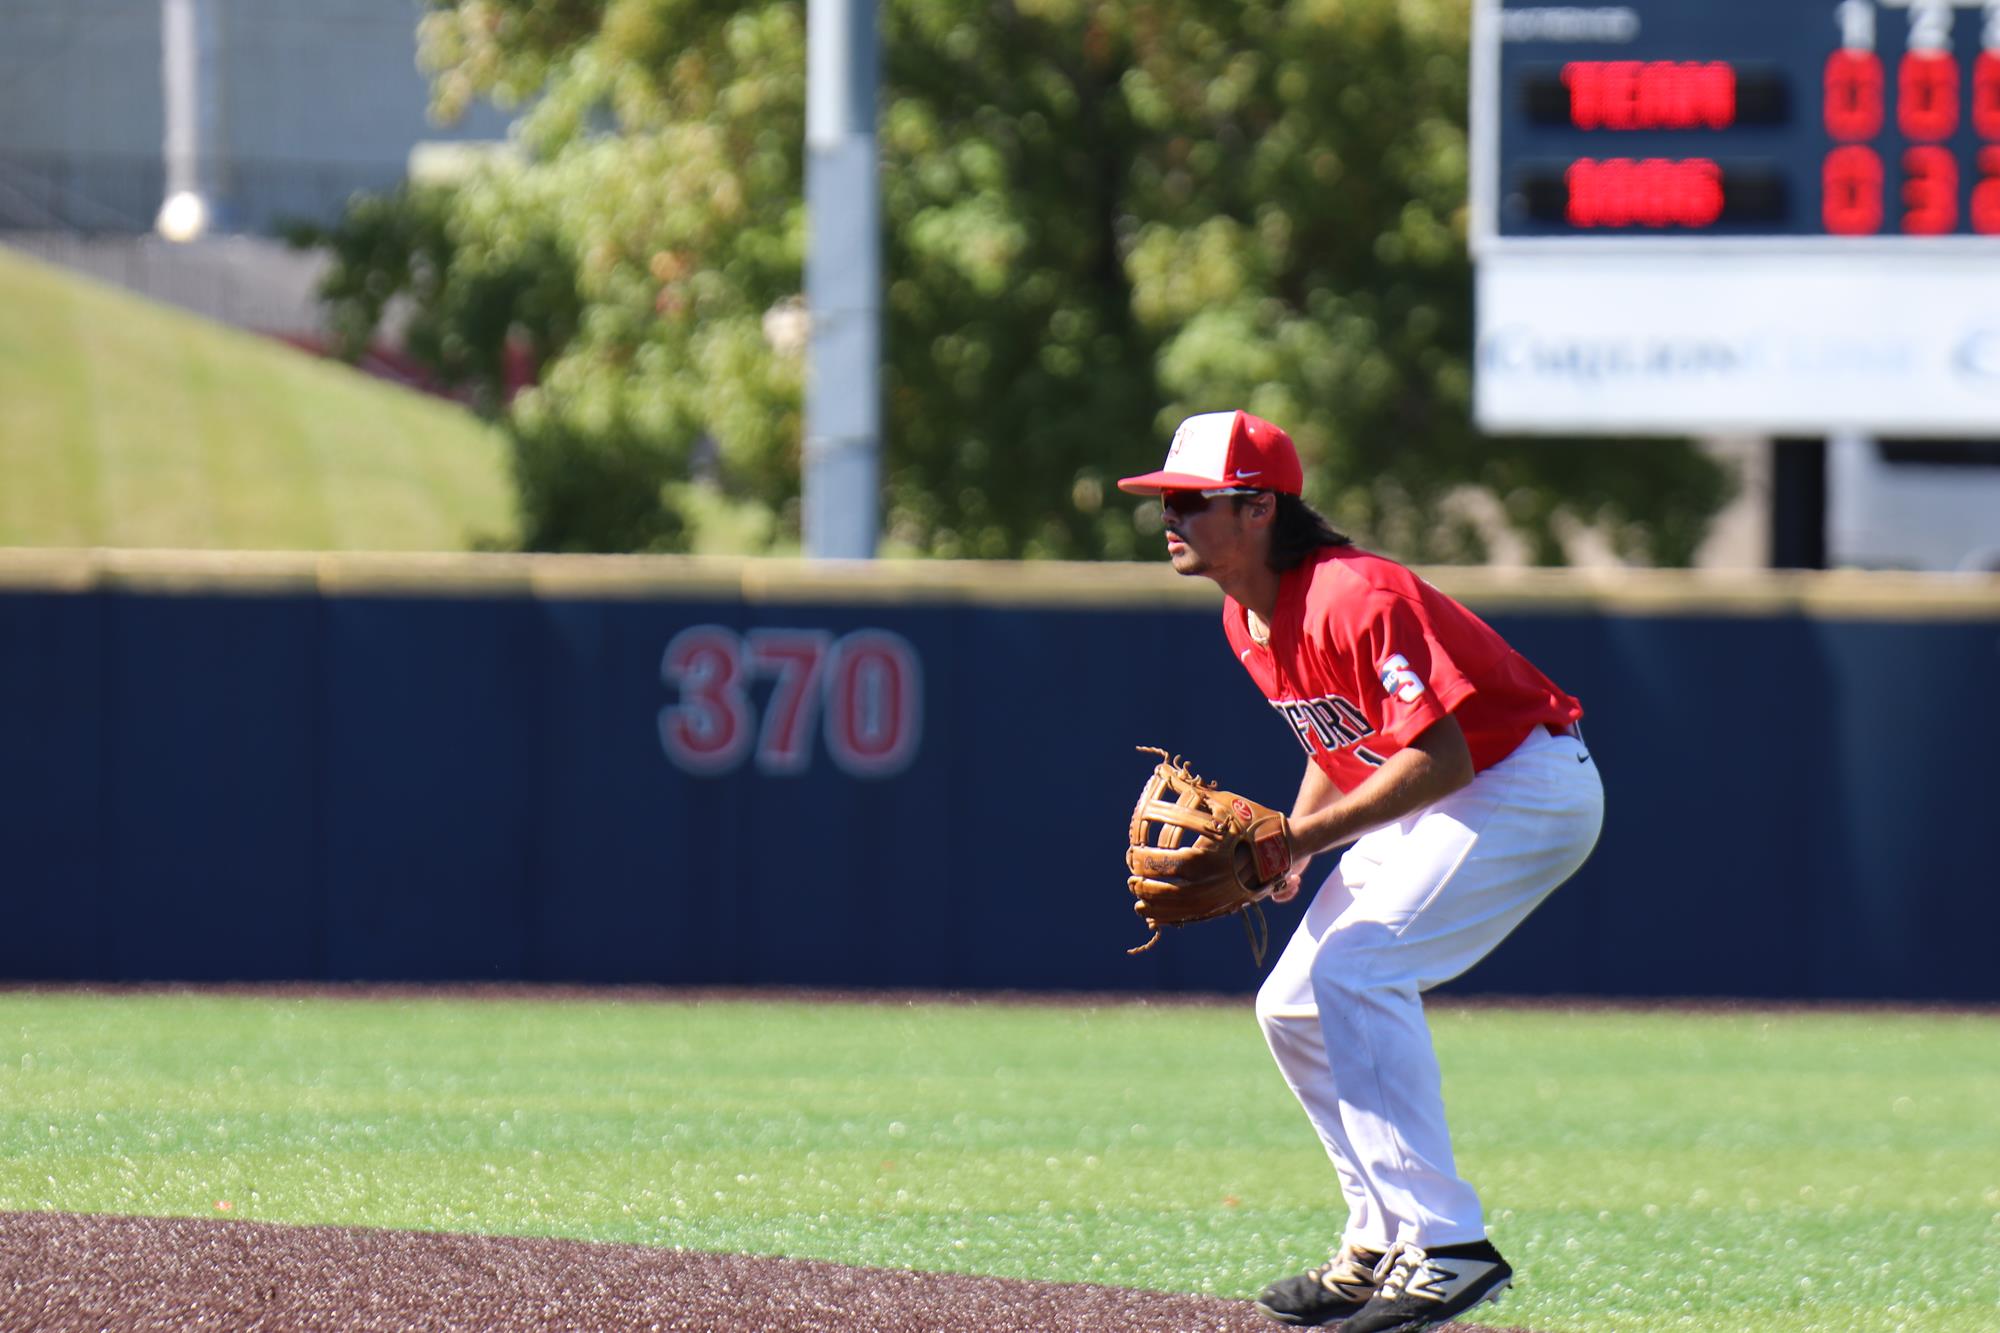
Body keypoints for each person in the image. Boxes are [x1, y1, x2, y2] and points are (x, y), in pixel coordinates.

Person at [1118, 410, 1604, 1331]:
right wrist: (1295, 840)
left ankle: (1448, 1244)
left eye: (1190, 501)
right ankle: (1381, 1237)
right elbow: (1341, 738)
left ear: (1258, 507)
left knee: (1359, 966)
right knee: (1292, 1002)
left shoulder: (1354, 595)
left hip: (1524, 782)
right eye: (1166, 502)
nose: (1170, 518)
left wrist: (1296, 843)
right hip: (1441, 791)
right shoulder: (1245, 615)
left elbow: (1446, 759)